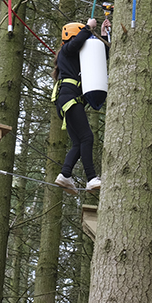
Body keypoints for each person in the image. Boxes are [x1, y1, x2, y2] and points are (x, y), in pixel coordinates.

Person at [52, 18, 108, 194]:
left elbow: (100, 56)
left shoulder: (77, 56)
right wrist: (89, 28)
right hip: (69, 99)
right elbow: (75, 44)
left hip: (69, 101)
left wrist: (104, 35)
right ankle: (91, 178)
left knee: (78, 142)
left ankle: (65, 175)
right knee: (87, 137)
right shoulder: (66, 51)